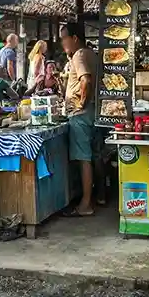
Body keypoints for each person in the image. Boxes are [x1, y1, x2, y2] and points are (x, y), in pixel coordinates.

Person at [59, 23, 98, 218]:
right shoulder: (91, 53)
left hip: (81, 115)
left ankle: (85, 204)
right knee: (92, 157)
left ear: (74, 38)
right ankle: (96, 197)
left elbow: (86, 80)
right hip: (92, 112)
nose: (62, 43)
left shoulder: (79, 55)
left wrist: (81, 102)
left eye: (64, 39)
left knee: (83, 159)